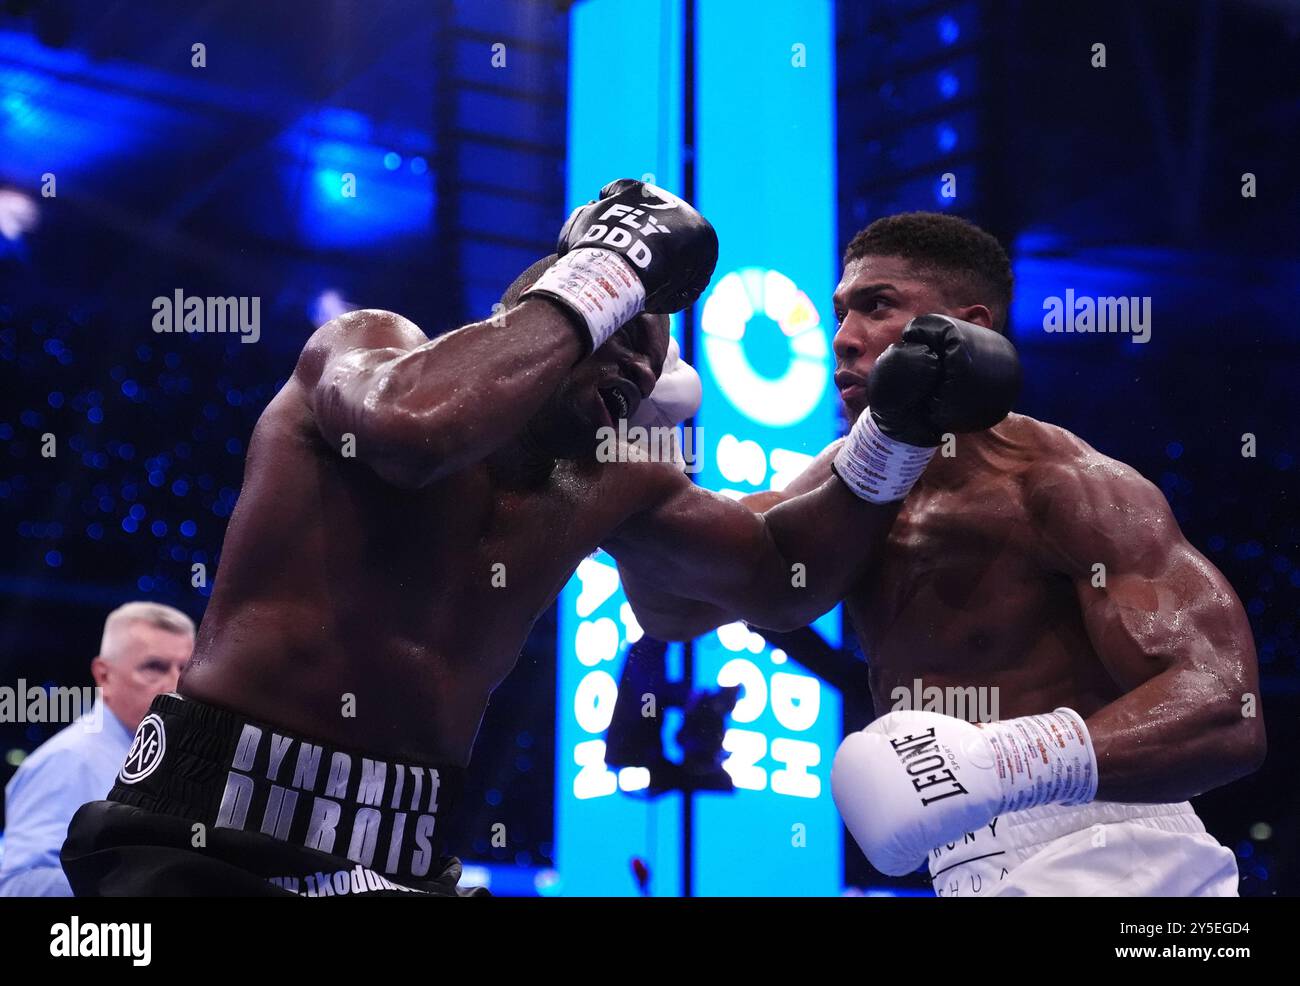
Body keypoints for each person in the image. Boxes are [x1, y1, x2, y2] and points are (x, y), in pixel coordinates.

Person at [60, 182, 1021, 897]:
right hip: (203, 821)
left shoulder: (609, 477)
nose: (631, 384)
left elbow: (780, 577)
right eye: (616, 346)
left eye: (648, 377)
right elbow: (414, 430)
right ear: (547, 316)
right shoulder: (366, 349)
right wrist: (604, 273)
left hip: (403, 847)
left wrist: (889, 437)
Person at [623, 211, 1264, 897]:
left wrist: (1003, 763)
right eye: (840, 313)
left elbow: (1227, 709)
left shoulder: (1064, 486)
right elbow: (672, 607)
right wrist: (635, 449)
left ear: (970, 326)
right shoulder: (840, 490)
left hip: (1114, 854)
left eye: (876, 306)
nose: (844, 339)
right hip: (964, 864)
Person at [0, 601, 193, 896]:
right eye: (154, 667)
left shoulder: (163, 758)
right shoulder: (69, 758)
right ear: (104, 675)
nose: (174, 683)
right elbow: (16, 885)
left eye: (185, 668)